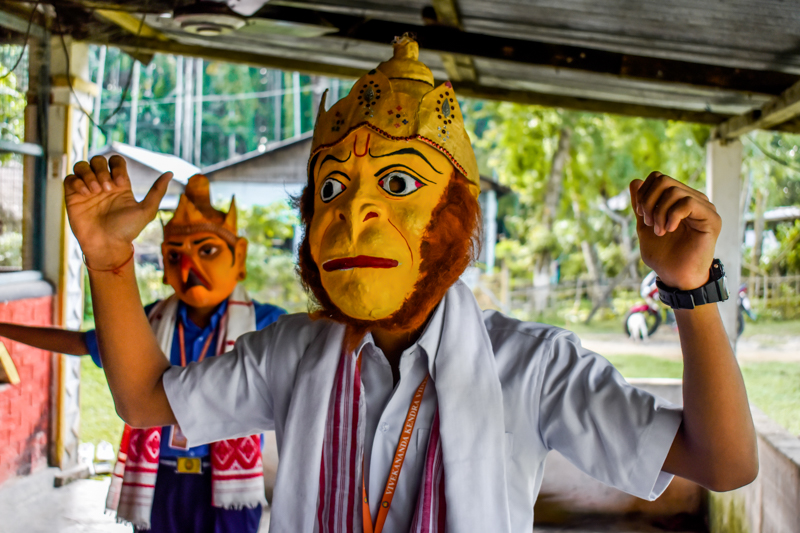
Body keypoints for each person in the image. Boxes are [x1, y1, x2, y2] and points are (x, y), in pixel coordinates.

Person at [62, 36, 757, 533]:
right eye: (332, 187)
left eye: (399, 182)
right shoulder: (291, 350)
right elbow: (147, 400)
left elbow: (722, 461)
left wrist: (690, 287)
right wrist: (111, 262)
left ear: (455, 216)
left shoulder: (531, 367)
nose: (356, 210)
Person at [0, 174, 285, 532]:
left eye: (207, 250)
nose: (187, 268)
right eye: (174, 255)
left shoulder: (269, 326)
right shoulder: (146, 321)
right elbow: (83, 342)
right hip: (159, 478)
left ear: (238, 256)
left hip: (227, 488)